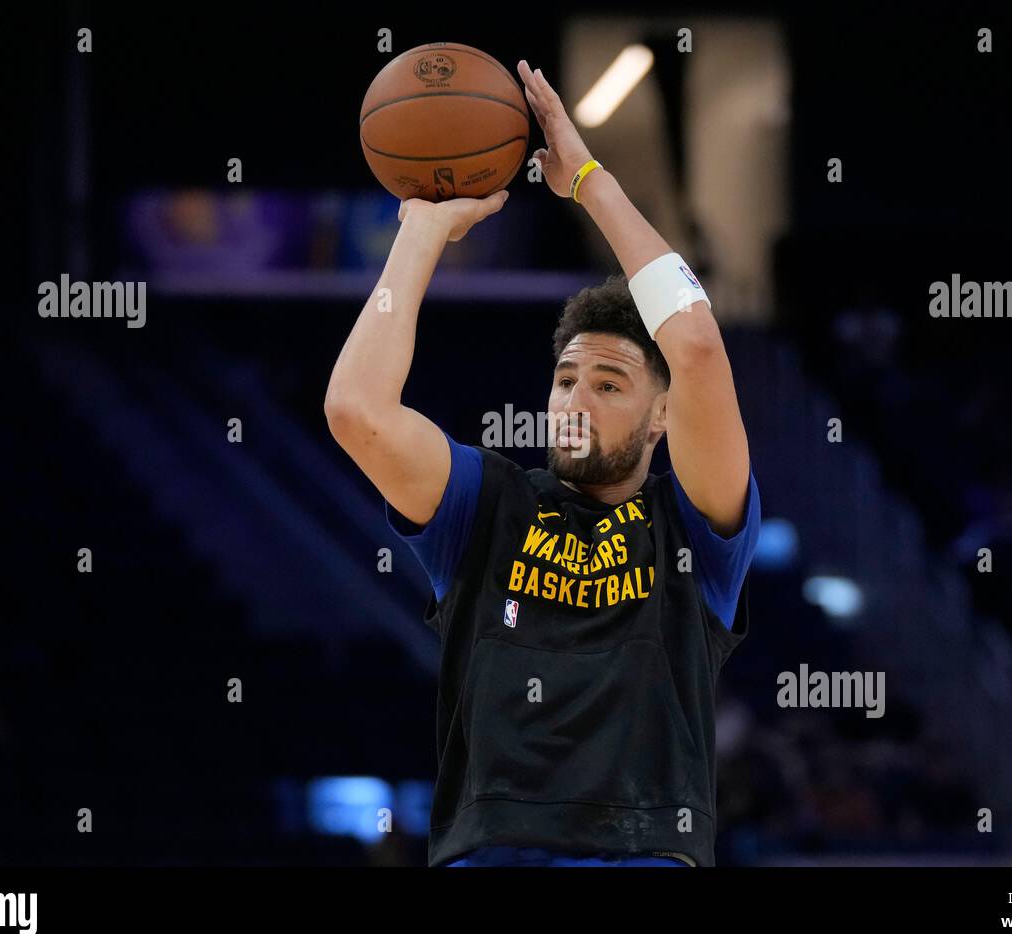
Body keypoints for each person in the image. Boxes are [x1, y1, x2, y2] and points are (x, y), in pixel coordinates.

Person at [325, 60, 760, 867]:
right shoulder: (482, 506)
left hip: (643, 852)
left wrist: (588, 179)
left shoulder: (694, 527)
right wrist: (420, 229)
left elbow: (696, 344)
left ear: (663, 414)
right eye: (565, 380)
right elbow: (357, 412)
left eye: (608, 383)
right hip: (489, 850)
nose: (575, 401)